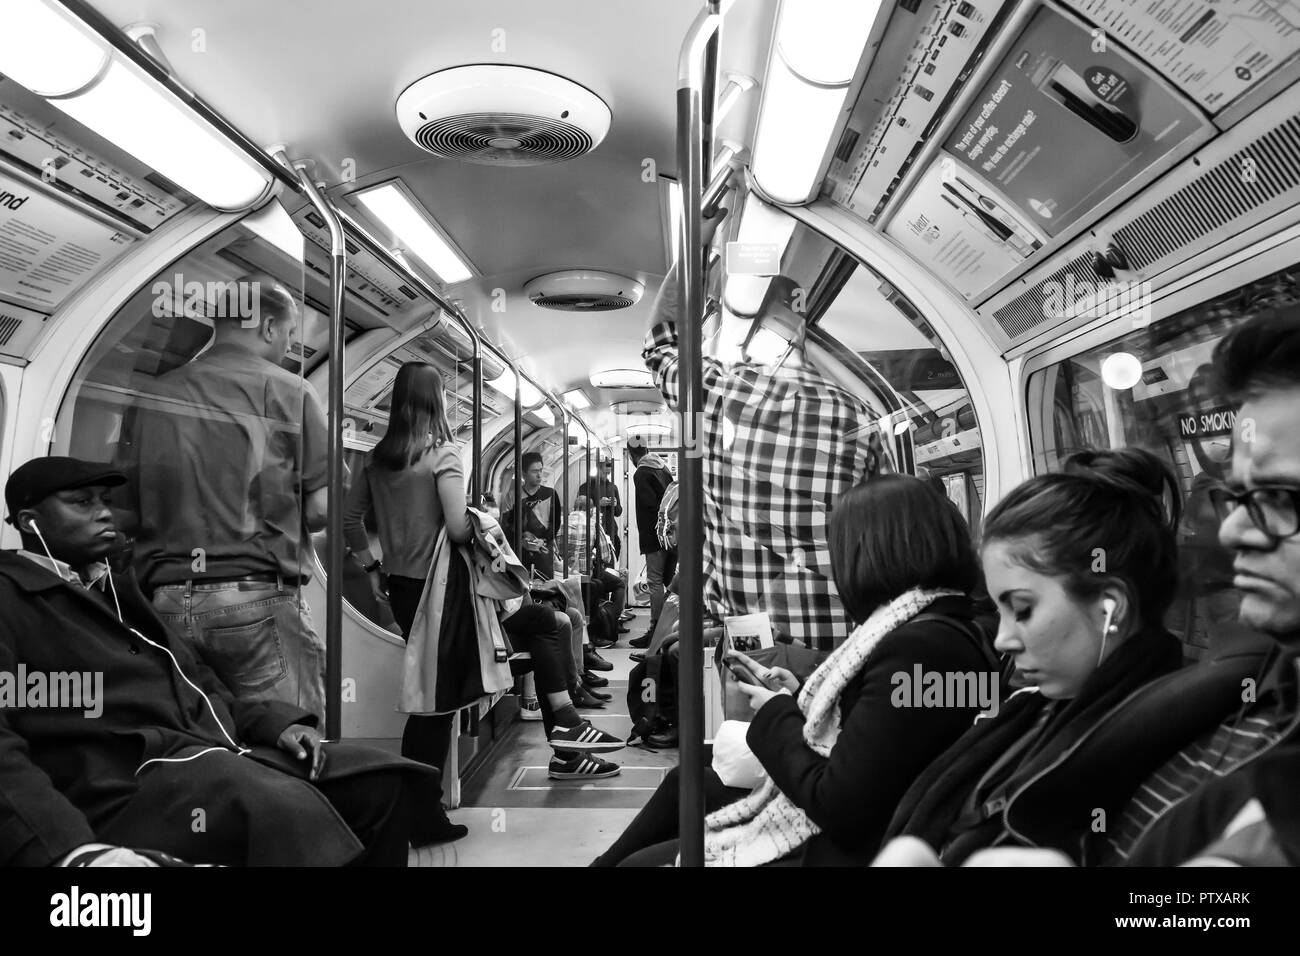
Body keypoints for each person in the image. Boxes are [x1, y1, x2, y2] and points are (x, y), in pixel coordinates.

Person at [955, 308, 1300, 868]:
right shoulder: (1262, 712)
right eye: (1236, 498)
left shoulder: (1215, 728)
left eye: (1281, 498)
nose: (1234, 529)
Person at [0, 456, 441, 866]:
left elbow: (196, 681)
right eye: (82, 503)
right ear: (29, 520)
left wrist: (274, 723)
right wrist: (69, 850)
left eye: (104, 502)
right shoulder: (12, 598)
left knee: (382, 782)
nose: (103, 514)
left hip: (203, 749)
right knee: (283, 809)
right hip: (118, 781)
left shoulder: (116, 589)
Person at [593, 475, 997, 866]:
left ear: (874, 553)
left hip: (852, 841)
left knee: (648, 852)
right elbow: (893, 726)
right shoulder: (949, 638)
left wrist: (775, 710)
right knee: (685, 780)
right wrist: (801, 688)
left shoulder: (922, 651)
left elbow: (840, 800)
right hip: (875, 821)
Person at [871, 448, 1186, 866]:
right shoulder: (1031, 708)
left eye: (1022, 610)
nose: (1002, 639)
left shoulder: (1171, 761)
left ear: (1109, 607)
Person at [122, 273, 329, 723]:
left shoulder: (152, 395)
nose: (287, 346)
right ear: (269, 327)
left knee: (206, 744)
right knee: (288, 745)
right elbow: (321, 509)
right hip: (254, 598)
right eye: (290, 335)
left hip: (165, 604)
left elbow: (129, 502)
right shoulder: (291, 390)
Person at [644, 261, 880, 650]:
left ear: (755, 333)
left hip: (751, 640)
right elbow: (888, 530)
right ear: (803, 331)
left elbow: (659, 345)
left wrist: (693, 255)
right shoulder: (860, 415)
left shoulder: (719, 395)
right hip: (840, 637)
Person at [343, 361, 471, 843]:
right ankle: (421, 815)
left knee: (427, 701)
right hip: (438, 591)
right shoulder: (443, 455)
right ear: (436, 400)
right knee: (435, 706)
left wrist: (372, 568)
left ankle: (416, 809)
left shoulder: (377, 459)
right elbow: (458, 528)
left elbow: (351, 519)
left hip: (399, 586)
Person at [627, 439, 675, 649]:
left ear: (631, 455)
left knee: (655, 581)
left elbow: (649, 505)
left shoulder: (641, 473)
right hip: (672, 534)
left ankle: (655, 630)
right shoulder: (663, 468)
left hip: (655, 535)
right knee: (668, 580)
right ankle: (669, 626)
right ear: (647, 450)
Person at [502, 452, 562, 581]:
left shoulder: (550, 494)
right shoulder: (512, 496)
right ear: (524, 474)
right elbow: (506, 526)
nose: (539, 475)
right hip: (520, 553)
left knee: (544, 589)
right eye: (534, 471)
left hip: (544, 551)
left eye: (541, 470)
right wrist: (522, 538)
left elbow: (555, 523)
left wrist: (545, 539)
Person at [576, 458, 623, 560]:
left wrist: (615, 505)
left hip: (611, 532)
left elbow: (618, 512)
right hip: (592, 532)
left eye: (608, 473)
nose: (606, 475)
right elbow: (579, 509)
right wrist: (598, 504)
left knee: (612, 562)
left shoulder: (613, 487)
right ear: (597, 469)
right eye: (604, 472)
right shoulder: (586, 487)